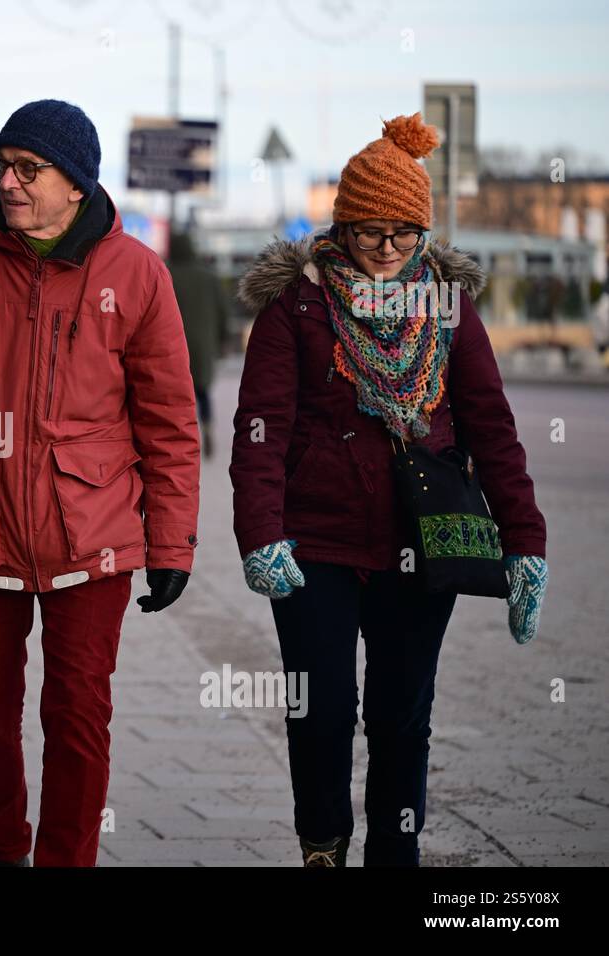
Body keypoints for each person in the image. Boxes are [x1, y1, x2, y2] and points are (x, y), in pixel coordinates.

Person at [0, 99, 201, 867]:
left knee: (79, 716)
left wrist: (174, 543)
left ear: (76, 184)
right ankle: (2, 855)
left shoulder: (138, 277)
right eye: (3, 167)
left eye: (29, 170)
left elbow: (169, 423)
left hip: (94, 535)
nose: (10, 184)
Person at [229, 113, 549, 867]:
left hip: (421, 542)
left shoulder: (447, 308)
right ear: (342, 225)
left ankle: (394, 858)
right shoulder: (297, 305)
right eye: (370, 231)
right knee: (323, 711)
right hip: (315, 547)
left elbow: (493, 429)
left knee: (403, 716)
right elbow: (260, 429)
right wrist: (260, 534)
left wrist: (526, 543)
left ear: (423, 233)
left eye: (403, 233)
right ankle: (323, 847)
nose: (385, 249)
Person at [167, 232, 229, 457]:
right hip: (204, 345)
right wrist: (223, 339)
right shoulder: (209, 277)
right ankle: (208, 427)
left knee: (177, 396)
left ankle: (182, 440)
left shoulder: (166, 274)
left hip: (173, 347)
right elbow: (223, 312)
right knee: (202, 392)